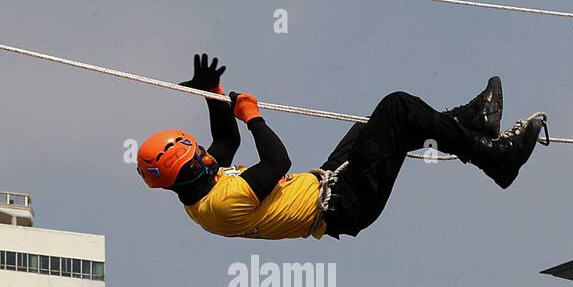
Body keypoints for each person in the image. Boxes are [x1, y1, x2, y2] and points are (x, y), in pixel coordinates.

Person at [136, 54, 547, 239]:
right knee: (397, 107)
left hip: (332, 182)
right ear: (188, 169)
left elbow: (225, 141)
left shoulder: (201, 185)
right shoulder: (221, 204)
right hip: (346, 202)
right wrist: (254, 116)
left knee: (382, 126)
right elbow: (278, 161)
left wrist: (213, 93)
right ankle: (497, 160)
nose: (207, 155)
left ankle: (469, 122)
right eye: (198, 156)